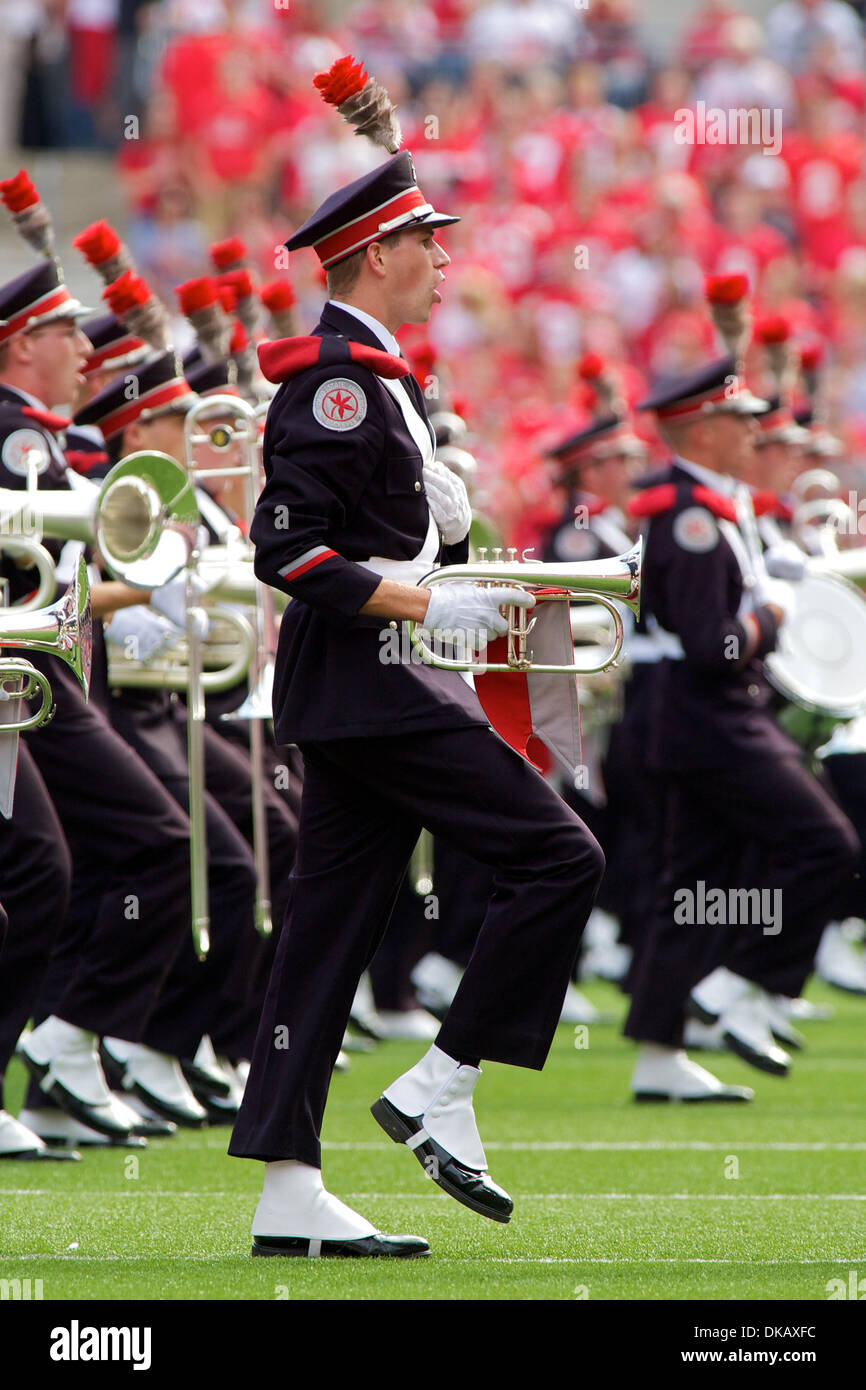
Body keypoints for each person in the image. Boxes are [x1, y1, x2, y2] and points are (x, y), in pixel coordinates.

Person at [228, 149, 606, 1258]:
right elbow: (283, 549)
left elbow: (375, 538)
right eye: (426, 242)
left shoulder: (379, 376)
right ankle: (441, 1084)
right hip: (376, 686)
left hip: (365, 691)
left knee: (322, 940)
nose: (444, 259)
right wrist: (414, 597)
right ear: (378, 253)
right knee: (560, 856)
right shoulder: (339, 381)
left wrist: (462, 561)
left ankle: (285, 1189)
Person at [622, 357, 860, 1100]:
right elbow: (711, 643)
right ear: (705, 429)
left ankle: (658, 1055)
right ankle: (737, 988)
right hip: (711, 715)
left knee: (691, 884)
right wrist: (774, 616)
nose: (756, 430)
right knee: (828, 845)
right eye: (741, 419)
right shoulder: (689, 514)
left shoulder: (717, 505)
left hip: (704, 717)